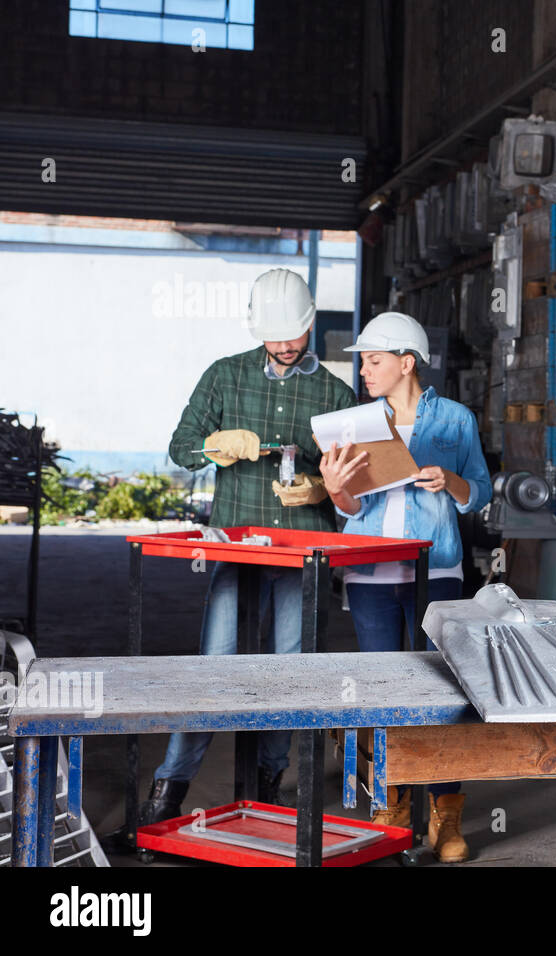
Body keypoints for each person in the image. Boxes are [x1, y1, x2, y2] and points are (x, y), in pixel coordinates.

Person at [139, 268, 357, 824]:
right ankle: (168, 794)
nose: (285, 347)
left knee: (292, 669)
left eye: (295, 335)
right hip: (236, 549)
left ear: (311, 324)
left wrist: (322, 489)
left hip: (302, 552)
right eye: (275, 336)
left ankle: (268, 787)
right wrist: (214, 447)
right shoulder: (224, 377)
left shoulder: (335, 394)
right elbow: (180, 448)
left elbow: (355, 485)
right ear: (257, 329)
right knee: (215, 667)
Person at [318, 311, 491, 863]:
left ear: (406, 363)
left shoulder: (456, 420)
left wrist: (451, 480)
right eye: (363, 362)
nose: (364, 370)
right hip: (371, 573)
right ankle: (389, 811)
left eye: (373, 360)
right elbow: (350, 506)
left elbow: (479, 493)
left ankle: (446, 816)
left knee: (444, 694)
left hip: (435, 571)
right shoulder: (356, 422)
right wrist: (334, 489)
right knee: (383, 691)